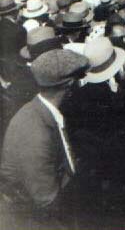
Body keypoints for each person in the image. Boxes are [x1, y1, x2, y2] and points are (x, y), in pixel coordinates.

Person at [0, 49, 89, 220]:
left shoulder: (41, 111)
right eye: (80, 79)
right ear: (70, 84)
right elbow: (48, 202)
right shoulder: (35, 131)